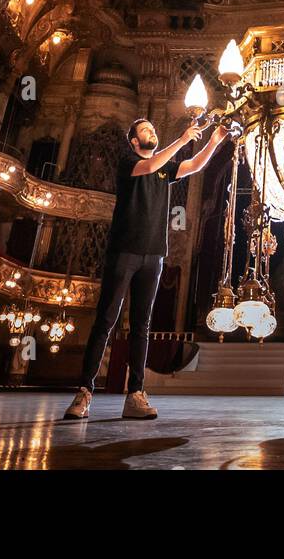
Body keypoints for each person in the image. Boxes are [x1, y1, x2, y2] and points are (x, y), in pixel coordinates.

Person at [65, 118, 228, 420]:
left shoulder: (163, 168)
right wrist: (181, 139)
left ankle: (135, 395)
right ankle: (84, 392)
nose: (151, 131)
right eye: (145, 130)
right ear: (134, 141)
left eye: (154, 128)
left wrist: (215, 140)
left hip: (154, 254)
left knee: (142, 326)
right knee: (106, 321)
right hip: (124, 251)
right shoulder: (130, 163)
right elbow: (150, 167)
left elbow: (193, 166)